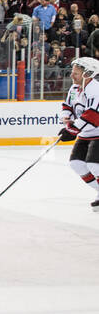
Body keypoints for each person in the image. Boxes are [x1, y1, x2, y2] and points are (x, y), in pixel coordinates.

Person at [59, 56, 99, 211]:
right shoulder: (74, 89)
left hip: (97, 132)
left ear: (88, 73)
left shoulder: (96, 89)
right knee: (76, 163)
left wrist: (73, 128)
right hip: (85, 133)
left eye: (75, 73)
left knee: (94, 164)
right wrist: (66, 119)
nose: (71, 75)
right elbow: (67, 105)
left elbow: (93, 115)